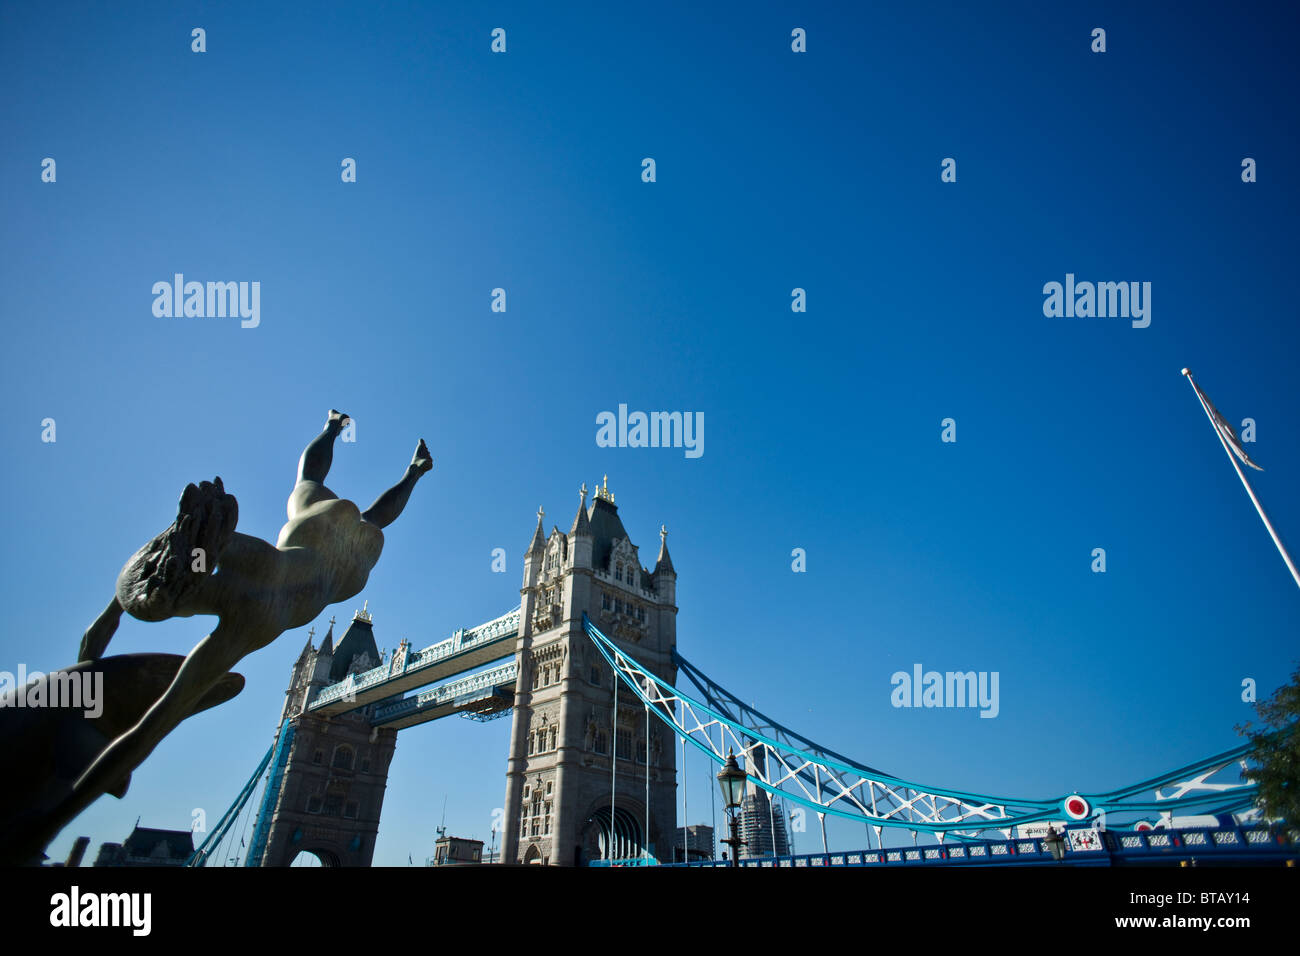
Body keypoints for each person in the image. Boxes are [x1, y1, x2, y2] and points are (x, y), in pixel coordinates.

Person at [50, 410, 431, 850]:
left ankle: (388, 458)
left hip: (332, 556)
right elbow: (121, 626)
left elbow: (146, 731)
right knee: (314, 486)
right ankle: (346, 434)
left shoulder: (245, 617)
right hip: (317, 544)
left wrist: (54, 818)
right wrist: (92, 652)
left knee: (349, 507)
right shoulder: (241, 563)